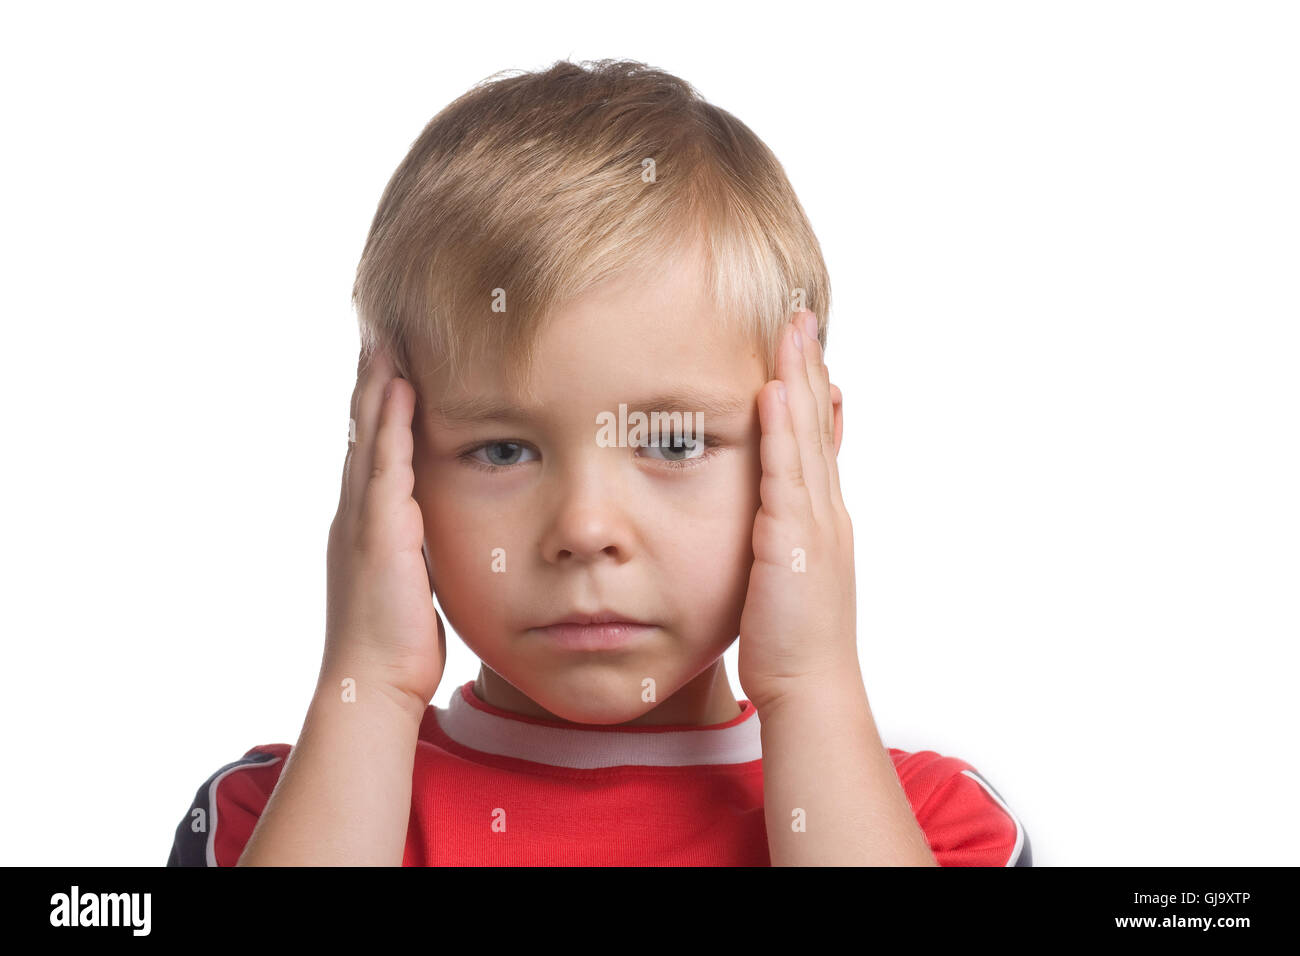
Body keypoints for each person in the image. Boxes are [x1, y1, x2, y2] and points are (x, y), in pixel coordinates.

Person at [168, 58, 1030, 867]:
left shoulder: (933, 824)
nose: (584, 530)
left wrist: (814, 684)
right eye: (502, 449)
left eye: (675, 441)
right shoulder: (280, 816)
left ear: (803, 452)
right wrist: (369, 680)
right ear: (391, 474)